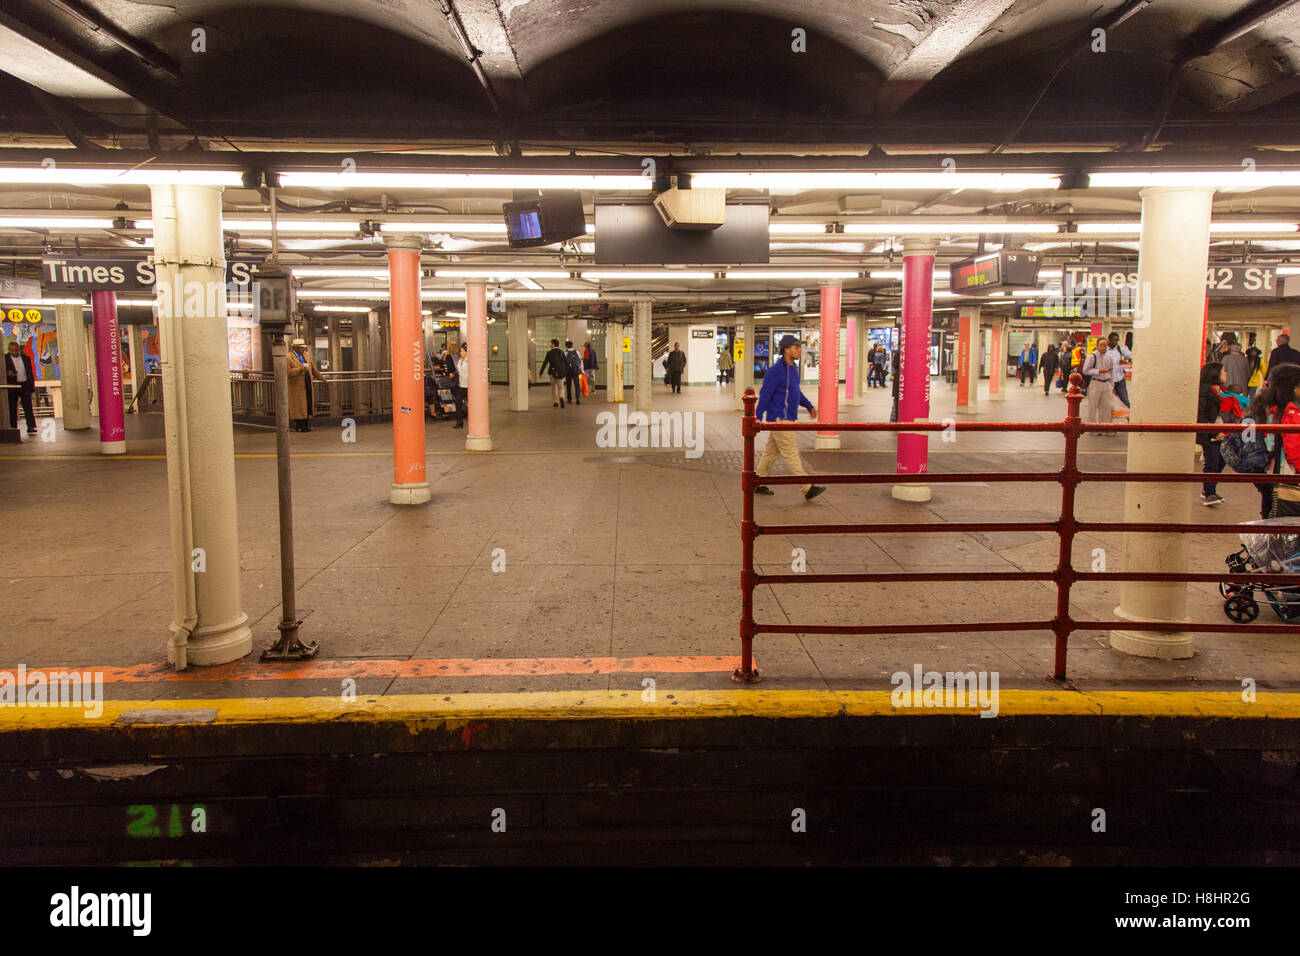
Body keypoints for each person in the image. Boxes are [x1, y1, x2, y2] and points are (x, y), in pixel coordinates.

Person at [754, 334, 825, 501]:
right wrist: (756, 417)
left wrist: (808, 406)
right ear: (786, 350)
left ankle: (758, 481)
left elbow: (796, 391)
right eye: (796, 347)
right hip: (780, 419)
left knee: (770, 453)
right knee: (791, 453)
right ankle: (807, 488)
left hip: (788, 419)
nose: (799, 350)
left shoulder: (793, 369)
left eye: (799, 347)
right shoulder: (776, 371)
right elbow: (765, 394)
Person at [1243, 364, 1300, 519]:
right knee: (1285, 516)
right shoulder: (1289, 412)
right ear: (1293, 388)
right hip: (1285, 473)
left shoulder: (1263, 406)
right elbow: (1294, 449)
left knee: (1270, 510)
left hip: (1265, 469)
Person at [1197, 362, 1227, 506]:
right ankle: (1209, 493)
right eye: (1223, 371)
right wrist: (1214, 432)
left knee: (1221, 460)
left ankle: (1208, 489)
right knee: (1212, 461)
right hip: (1209, 433)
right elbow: (1202, 415)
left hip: (1215, 430)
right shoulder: (1205, 391)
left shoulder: (1217, 389)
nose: (1225, 373)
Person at [286, 338, 326, 432]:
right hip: (296, 387)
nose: (303, 349)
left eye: (303, 348)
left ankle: (306, 424)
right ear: (295, 348)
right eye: (301, 348)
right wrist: (300, 370)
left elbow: (313, 369)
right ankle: (300, 426)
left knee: (307, 404)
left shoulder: (306, 355)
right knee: (298, 406)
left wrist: (322, 378)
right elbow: (288, 372)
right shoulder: (288, 357)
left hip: (307, 383)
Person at [1079, 338, 1115, 428]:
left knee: (1107, 407)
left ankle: (1105, 428)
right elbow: (1085, 370)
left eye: (1105, 345)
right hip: (1095, 383)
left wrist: (1112, 385)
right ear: (1097, 346)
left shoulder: (1109, 358)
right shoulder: (1092, 357)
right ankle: (1092, 428)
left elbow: (1111, 372)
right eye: (1101, 345)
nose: (1103, 347)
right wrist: (1099, 371)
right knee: (1093, 407)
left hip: (1107, 384)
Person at [4, 339, 37, 435]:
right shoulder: (4, 359)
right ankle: (13, 426)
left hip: (25, 385)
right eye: (12, 350)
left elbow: (30, 373)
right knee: (12, 407)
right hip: (12, 385)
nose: (14, 352)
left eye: (16, 350)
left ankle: (30, 426)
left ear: (19, 349)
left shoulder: (26, 358)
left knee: (28, 407)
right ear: (9, 350)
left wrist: (32, 387)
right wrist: (8, 374)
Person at [539, 338, 568, 408]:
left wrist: (541, 372)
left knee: (553, 388)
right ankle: (561, 397)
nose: (550, 345)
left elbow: (545, 363)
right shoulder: (561, 352)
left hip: (552, 372)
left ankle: (556, 402)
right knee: (561, 388)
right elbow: (566, 363)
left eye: (551, 343)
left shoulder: (549, 352)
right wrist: (565, 372)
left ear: (553, 344)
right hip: (560, 373)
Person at [1107, 332, 1133, 408]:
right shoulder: (1104, 350)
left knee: (1125, 401)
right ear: (1109, 340)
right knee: (1106, 402)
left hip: (1120, 380)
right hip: (1108, 380)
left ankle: (1129, 415)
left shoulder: (1120, 349)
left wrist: (1127, 361)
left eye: (1117, 340)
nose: (1115, 342)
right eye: (1114, 340)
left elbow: (1132, 356)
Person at [451, 342, 468, 428]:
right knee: (457, 401)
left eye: (462, 351)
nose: (460, 353)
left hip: (469, 386)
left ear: (466, 352)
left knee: (470, 404)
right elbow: (458, 370)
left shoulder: (469, 361)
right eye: (460, 351)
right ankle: (459, 422)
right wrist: (453, 374)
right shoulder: (459, 361)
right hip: (461, 385)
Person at [564, 340, 583, 405]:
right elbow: (580, 361)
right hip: (576, 370)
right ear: (572, 346)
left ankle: (569, 399)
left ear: (566, 346)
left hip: (568, 371)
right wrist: (582, 371)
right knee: (577, 385)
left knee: (568, 385)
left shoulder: (565, 353)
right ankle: (578, 398)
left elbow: (564, 363)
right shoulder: (577, 352)